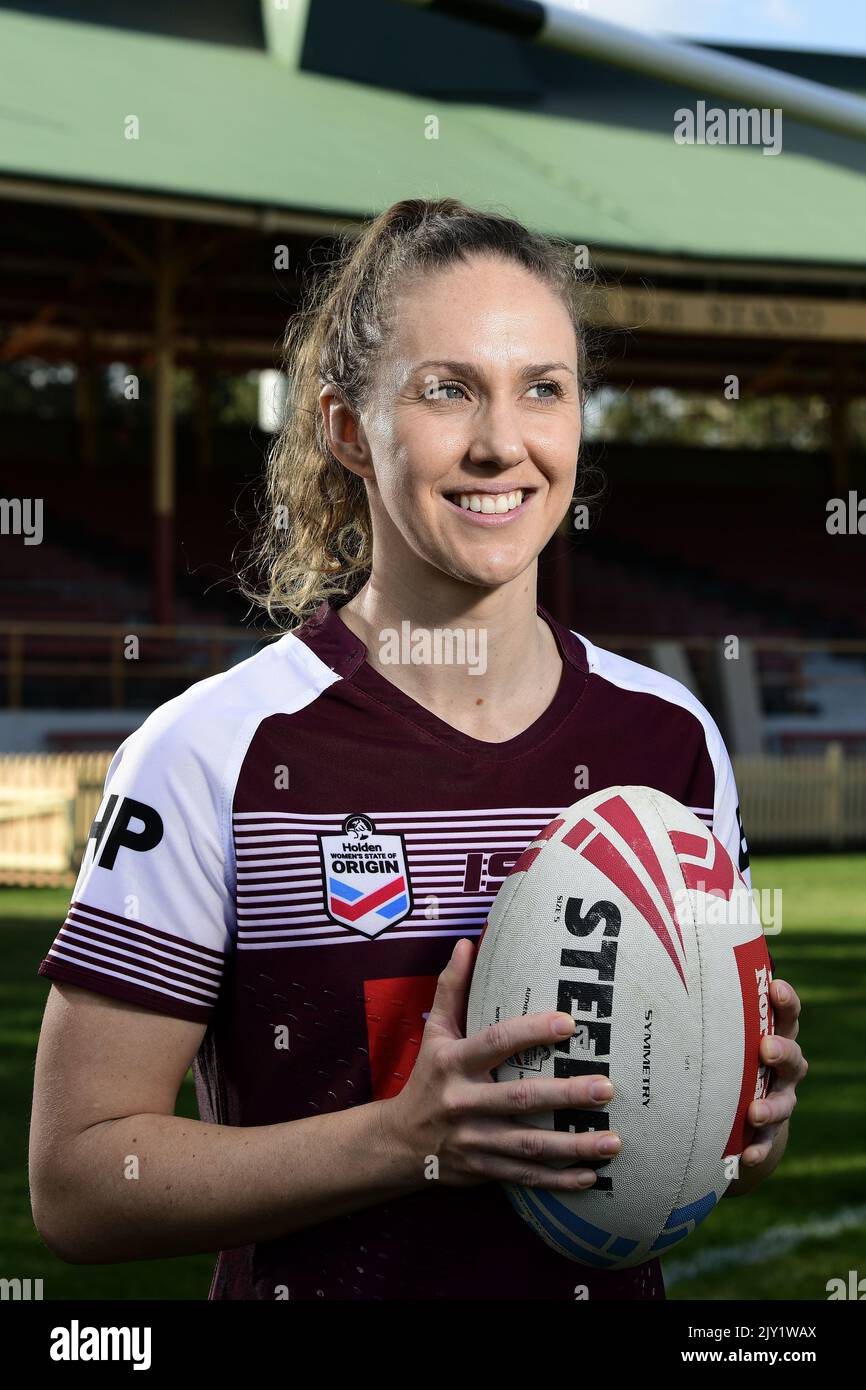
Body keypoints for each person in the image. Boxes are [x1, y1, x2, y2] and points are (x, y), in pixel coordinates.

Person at [30, 198, 807, 1300]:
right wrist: (408, 1138)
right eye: (447, 389)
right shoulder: (210, 752)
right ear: (348, 428)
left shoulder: (669, 739)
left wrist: (735, 1111)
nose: (503, 442)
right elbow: (76, 1183)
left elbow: (686, 1148)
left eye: (543, 386)